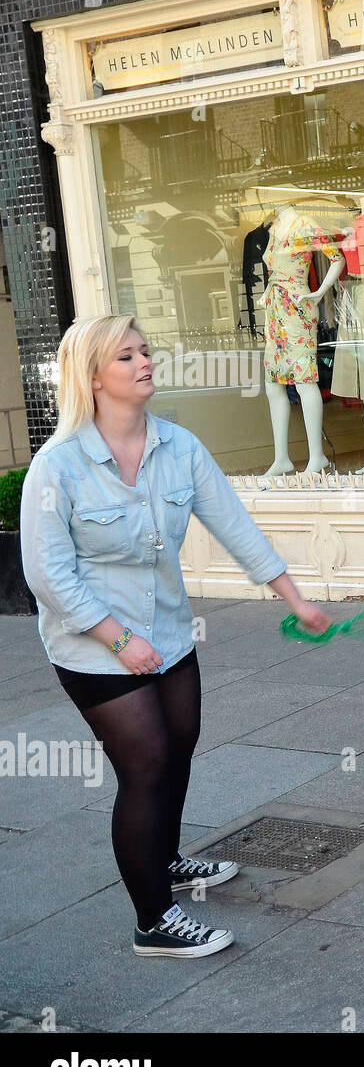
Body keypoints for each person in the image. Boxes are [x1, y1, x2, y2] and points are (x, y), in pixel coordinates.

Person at [20, 315, 331, 959]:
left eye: (144, 351)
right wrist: (116, 639)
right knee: (147, 763)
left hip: (168, 631)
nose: (144, 363)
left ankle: (165, 858)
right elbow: (48, 576)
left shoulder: (179, 447)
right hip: (90, 644)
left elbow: (236, 526)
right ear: (93, 377)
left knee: (180, 746)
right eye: (125, 356)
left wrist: (296, 599)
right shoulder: (59, 465)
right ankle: (154, 921)